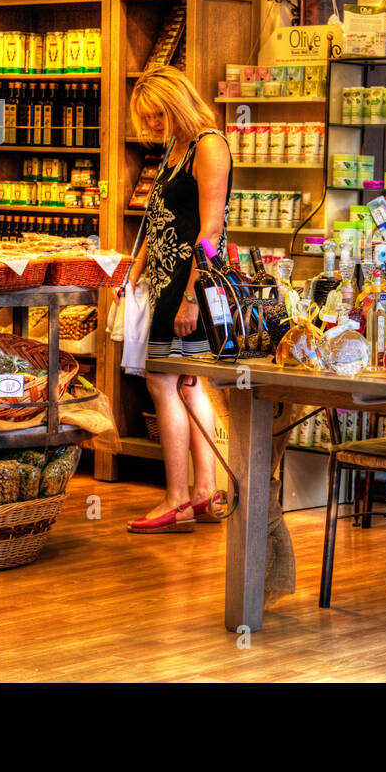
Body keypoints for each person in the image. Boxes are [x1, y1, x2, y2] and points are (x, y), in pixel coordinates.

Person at [121, 67, 231, 533]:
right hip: (163, 281)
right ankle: (203, 493)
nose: (152, 126)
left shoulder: (208, 145)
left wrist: (190, 297)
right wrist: (131, 273)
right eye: (146, 119)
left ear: (178, 102)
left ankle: (176, 500)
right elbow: (155, 220)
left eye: (158, 114)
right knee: (186, 383)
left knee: (162, 382)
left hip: (189, 284)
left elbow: (210, 231)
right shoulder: (174, 149)